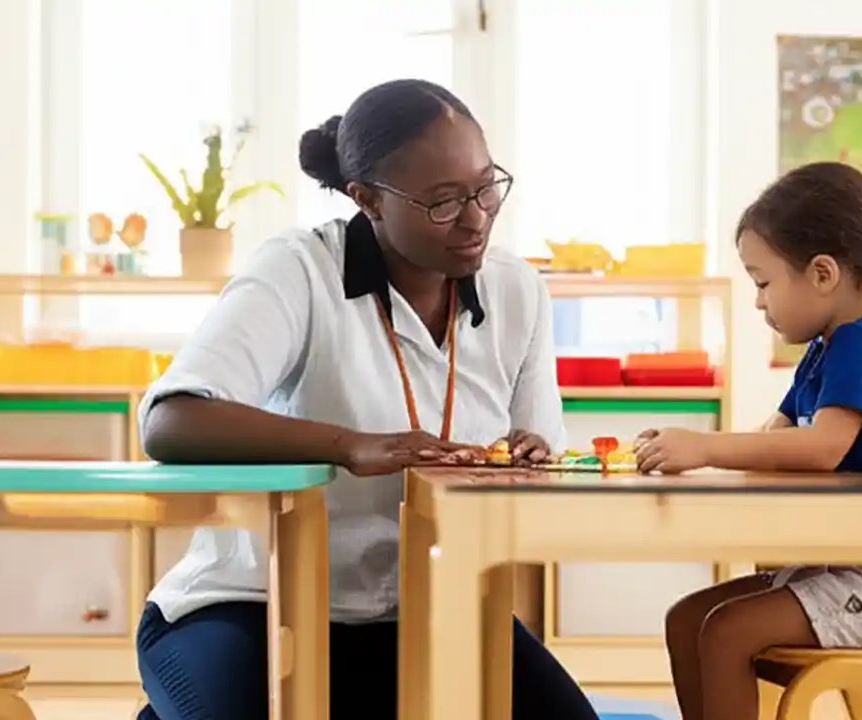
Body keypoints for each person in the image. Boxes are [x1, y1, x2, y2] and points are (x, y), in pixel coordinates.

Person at [134, 79, 599, 720]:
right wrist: (349, 446)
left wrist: (532, 457)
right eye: (443, 202)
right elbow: (173, 420)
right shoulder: (300, 270)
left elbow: (542, 456)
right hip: (254, 605)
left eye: (485, 187)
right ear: (368, 199)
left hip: (431, 611)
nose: (475, 218)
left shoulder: (517, 290)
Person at [633, 161, 862, 720]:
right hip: (851, 572)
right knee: (688, 620)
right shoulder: (824, 352)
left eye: (763, 283)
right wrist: (686, 450)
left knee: (727, 632)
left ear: (822, 274)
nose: (759, 302)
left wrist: (703, 447)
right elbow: (772, 441)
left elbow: (821, 448)